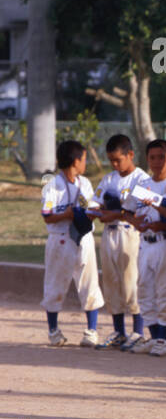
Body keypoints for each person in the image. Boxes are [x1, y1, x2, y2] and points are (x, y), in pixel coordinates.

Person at [40, 140, 104, 347]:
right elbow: (47, 216)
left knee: (89, 282)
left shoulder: (84, 183)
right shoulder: (52, 185)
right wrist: (66, 214)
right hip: (61, 238)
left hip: (83, 237)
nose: (85, 164)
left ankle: (91, 330)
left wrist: (92, 212)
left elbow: (91, 206)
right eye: (84, 159)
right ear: (76, 160)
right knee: (55, 283)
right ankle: (53, 330)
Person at [95, 134, 149, 351]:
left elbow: (137, 212)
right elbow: (96, 207)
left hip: (131, 234)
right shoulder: (109, 179)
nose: (115, 164)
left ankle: (138, 331)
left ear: (130, 155)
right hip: (110, 234)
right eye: (111, 160)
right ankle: (119, 330)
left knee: (131, 282)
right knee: (111, 281)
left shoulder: (141, 178)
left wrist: (114, 213)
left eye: (118, 159)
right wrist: (113, 213)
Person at [132, 139, 166, 356]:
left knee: (164, 291)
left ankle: (165, 337)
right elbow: (131, 213)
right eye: (152, 158)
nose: (157, 162)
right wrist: (137, 222)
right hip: (145, 243)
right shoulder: (142, 185)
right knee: (144, 290)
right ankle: (153, 335)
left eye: (162, 157)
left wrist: (157, 204)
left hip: (164, 242)